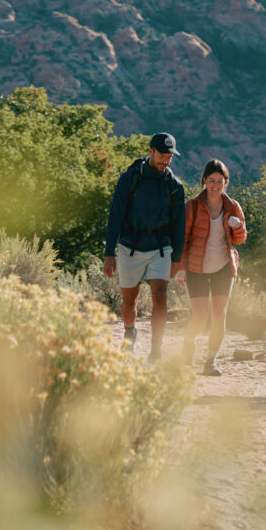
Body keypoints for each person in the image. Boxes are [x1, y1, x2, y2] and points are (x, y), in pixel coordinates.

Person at [103, 133, 186, 362]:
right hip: (130, 247)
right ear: (150, 151)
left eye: (170, 157)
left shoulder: (174, 186)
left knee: (160, 296)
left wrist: (177, 259)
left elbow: (179, 226)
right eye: (162, 155)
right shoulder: (130, 178)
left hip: (161, 249)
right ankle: (130, 331)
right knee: (129, 302)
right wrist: (109, 253)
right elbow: (115, 216)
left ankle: (156, 349)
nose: (166, 161)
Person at [174, 158, 247, 375]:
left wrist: (238, 226)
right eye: (212, 180)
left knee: (219, 315)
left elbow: (241, 239)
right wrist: (180, 267)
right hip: (196, 267)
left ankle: (210, 361)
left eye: (220, 181)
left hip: (224, 267)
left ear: (226, 182)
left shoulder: (232, 206)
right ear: (204, 180)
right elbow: (182, 238)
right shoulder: (192, 206)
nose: (216, 185)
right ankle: (189, 341)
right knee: (200, 316)